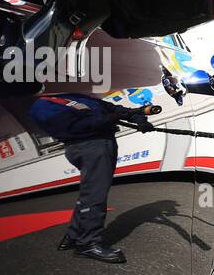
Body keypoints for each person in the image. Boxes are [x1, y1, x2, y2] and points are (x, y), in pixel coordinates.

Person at [28, 94, 154, 263]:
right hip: (87, 146)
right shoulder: (40, 106)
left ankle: (73, 236)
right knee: (95, 194)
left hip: (102, 142)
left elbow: (114, 108)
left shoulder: (76, 97)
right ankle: (88, 243)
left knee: (89, 193)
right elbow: (70, 128)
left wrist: (138, 117)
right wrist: (110, 119)